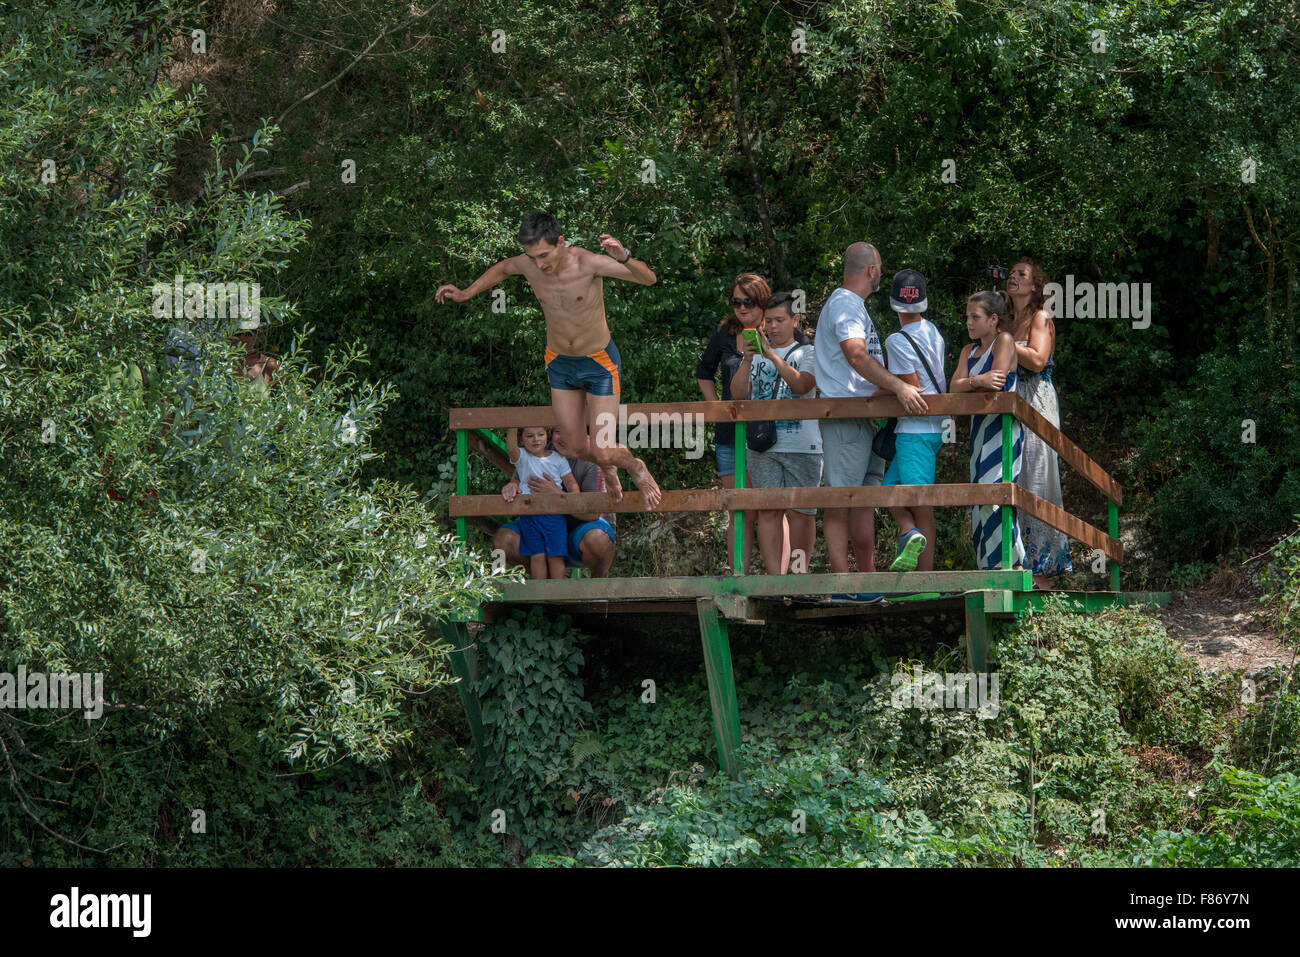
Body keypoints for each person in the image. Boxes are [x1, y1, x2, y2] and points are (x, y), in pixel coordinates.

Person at [436, 212, 662, 508]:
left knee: (604, 449)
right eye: (532, 257)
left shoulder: (588, 263)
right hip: (560, 363)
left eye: (543, 255)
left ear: (561, 242)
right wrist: (466, 293)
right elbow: (504, 268)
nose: (538, 264)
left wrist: (624, 257)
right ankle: (607, 465)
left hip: (598, 363)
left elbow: (649, 279)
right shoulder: (530, 265)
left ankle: (633, 466)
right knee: (575, 447)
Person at [813, 243, 928, 601]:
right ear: (872, 271)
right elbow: (856, 355)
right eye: (881, 268)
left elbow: (859, 367)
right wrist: (898, 387)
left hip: (864, 417)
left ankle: (867, 583)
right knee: (838, 501)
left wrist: (886, 393)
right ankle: (844, 586)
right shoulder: (845, 304)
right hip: (844, 418)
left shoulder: (854, 306)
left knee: (863, 499)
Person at [729, 291, 821, 574]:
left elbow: (802, 385)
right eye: (768, 321)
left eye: (779, 320)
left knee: (801, 514)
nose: (772, 327)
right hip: (762, 447)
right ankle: (775, 581)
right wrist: (747, 359)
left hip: (802, 445)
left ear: (795, 319)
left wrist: (771, 355)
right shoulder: (754, 356)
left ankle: (798, 576)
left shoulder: (810, 352)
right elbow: (737, 395)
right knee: (768, 511)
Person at [695, 273, 772, 571]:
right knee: (740, 510)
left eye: (748, 302)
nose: (741, 308)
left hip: (768, 434)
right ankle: (738, 578)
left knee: (768, 509)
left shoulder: (777, 328)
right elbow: (704, 371)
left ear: (762, 301)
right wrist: (715, 407)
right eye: (736, 301)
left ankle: (777, 580)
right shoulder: (725, 333)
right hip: (729, 433)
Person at [1006, 259, 1073, 588]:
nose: (1013, 277)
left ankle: (1043, 574)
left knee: (1036, 481)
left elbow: (1037, 360)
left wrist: (1005, 344)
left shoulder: (1041, 318)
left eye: (1022, 274)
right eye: (1010, 273)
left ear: (1035, 286)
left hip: (1036, 400)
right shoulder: (1004, 321)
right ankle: (1015, 567)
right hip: (1008, 401)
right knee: (1011, 478)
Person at [950, 291, 1025, 571]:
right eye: (967, 317)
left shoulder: (1003, 341)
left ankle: (1012, 564)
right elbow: (953, 387)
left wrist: (972, 382)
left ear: (994, 319)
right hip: (979, 430)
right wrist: (977, 379)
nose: (968, 322)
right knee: (980, 499)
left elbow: (997, 381)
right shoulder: (967, 352)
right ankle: (989, 567)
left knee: (995, 495)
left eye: (975, 317)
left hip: (1003, 430)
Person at [880, 269, 947, 572]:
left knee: (922, 506)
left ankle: (925, 580)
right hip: (933, 429)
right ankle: (910, 533)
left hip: (915, 431)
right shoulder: (933, 331)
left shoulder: (896, 340)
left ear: (894, 305)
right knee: (889, 490)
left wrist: (878, 385)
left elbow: (910, 387)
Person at [494, 426, 618, 577]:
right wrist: (513, 484)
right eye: (558, 431)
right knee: (505, 539)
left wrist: (557, 496)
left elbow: (592, 514)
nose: (563, 438)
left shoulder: (593, 458)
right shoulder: (540, 445)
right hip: (540, 520)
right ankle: (543, 590)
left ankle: (598, 589)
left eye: (570, 431)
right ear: (551, 433)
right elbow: (522, 471)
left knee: (598, 540)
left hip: (583, 527)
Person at [505, 425, 580, 579]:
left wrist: (573, 497)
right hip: (529, 515)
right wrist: (512, 424)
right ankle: (540, 595)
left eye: (540, 434)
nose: (536, 439)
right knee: (537, 555)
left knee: (556, 556)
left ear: (548, 435)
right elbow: (511, 448)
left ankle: (557, 595)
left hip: (554, 515)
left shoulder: (558, 459)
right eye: (530, 436)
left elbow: (571, 482)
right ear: (522, 439)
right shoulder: (522, 458)